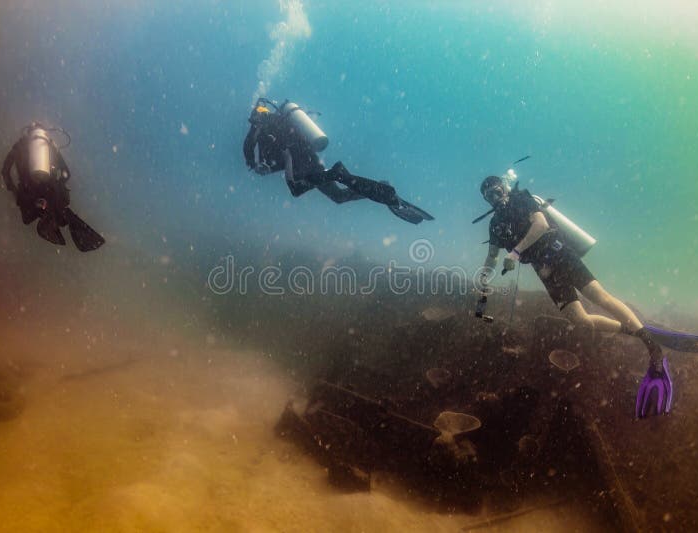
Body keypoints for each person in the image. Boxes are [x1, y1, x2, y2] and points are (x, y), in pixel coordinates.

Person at [477, 175, 671, 419]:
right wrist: (484, 277)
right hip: (543, 269)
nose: (495, 198)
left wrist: (515, 252)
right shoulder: (495, 224)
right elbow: (492, 255)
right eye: (489, 196)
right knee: (580, 321)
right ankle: (637, 331)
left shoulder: (521, 200)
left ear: (504, 187)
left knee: (600, 297)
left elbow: (541, 225)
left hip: (559, 254)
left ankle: (652, 346)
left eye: (496, 191)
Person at [243, 99, 434, 225]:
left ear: (257, 116)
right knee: (338, 197)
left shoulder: (265, 128)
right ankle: (381, 190)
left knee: (296, 189)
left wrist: (256, 165)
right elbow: (276, 154)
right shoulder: (278, 122)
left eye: (254, 119)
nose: (254, 123)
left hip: (300, 163)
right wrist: (265, 166)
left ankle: (336, 173)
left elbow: (262, 150)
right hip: (311, 161)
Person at [1, 123, 105, 251]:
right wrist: (57, 186)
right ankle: (56, 216)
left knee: (27, 218)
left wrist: (16, 193)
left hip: (28, 191)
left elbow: (5, 172)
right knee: (60, 211)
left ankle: (46, 215)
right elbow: (66, 174)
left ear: (27, 133)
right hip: (50, 190)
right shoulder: (49, 146)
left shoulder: (18, 147)